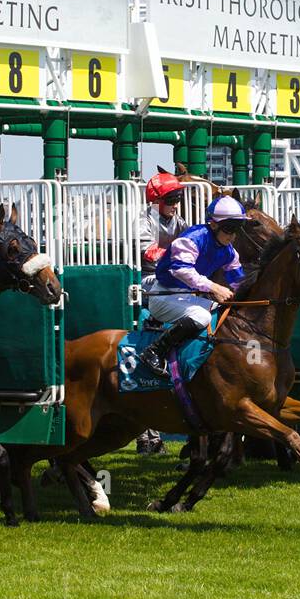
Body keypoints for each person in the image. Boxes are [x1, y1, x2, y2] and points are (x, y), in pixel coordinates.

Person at [139, 196, 248, 376]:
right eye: (229, 228)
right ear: (213, 225)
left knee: (221, 312)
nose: (233, 235)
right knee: (202, 316)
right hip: (163, 297)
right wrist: (215, 287)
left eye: (237, 229)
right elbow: (182, 270)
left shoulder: (228, 251)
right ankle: (154, 351)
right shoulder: (193, 239)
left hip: (185, 298)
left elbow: (238, 280)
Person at [135, 172, 190, 453]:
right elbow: (148, 253)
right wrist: (176, 255)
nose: (176, 204)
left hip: (171, 279)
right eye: (171, 199)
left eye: (178, 198)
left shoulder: (178, 221)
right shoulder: (143, 221)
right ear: (156, 200)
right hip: (147, 282)